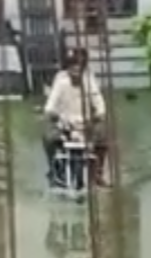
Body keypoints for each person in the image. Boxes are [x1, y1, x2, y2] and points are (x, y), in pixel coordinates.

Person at [43, 49, 109, 186]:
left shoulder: (90, 81)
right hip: (64, 125)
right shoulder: (61, 81)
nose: (75, 70)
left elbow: (100, 105)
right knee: (49, 138)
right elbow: (49, 107)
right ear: (67, 67)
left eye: (79, 66)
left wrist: (97, 116)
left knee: (103, 138)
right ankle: (55, 171)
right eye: (72, 66)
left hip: (86, 124)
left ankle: (97, 173)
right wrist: (54, 116)